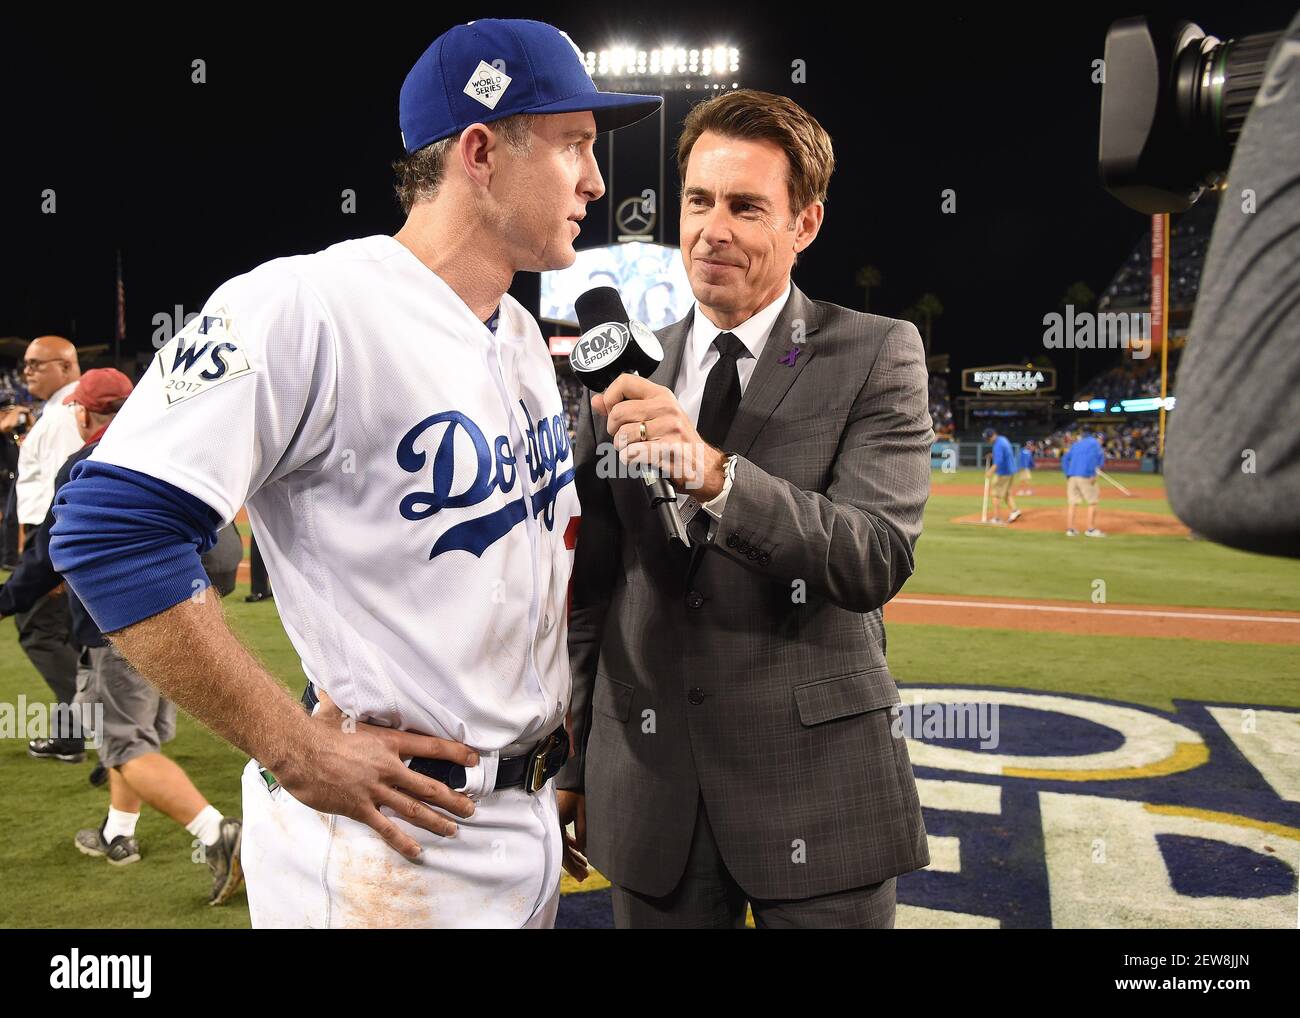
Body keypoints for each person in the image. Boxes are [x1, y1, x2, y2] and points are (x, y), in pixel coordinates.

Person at [50, 18, 660, 929]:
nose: (596, 180)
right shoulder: (304, 306)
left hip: (519, 814)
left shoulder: (529, 339)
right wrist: (293, 748)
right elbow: (108, 531)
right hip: (384, 843)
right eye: (574, 144)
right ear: (482, 152)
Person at [559, 88, 932, 928]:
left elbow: (873, 557)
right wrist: (575, 762)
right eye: (697, 200)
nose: (711, 228)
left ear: (805, 224)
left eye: (745, 206)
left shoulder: (875, 354)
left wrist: (715, 475)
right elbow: (594, 592)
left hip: (819, 791)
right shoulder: (626, 372)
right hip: (652, 788)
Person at [0, 369, 244, 903]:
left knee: (125, 744)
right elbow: (227, 552)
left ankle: (218, 835)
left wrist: (7, 600)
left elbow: (45, 558)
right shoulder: (177, 452)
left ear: (83, 414)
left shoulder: (84, 465)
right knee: (130, 737)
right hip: (185, 625)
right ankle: (118, 832)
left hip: (121, 628)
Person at [4, 337, 85, 762]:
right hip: (50, 539)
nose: (27, 371)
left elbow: (64, 493)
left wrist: (53, 562)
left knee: (38, 632)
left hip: (54, 540)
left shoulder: (65, 413)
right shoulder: (59, 408)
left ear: (67, 366)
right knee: (59, 635)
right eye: (26, 365)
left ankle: (91, 718)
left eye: (37, 364)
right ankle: (71, 734)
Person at [1062, 430, 1105, 537]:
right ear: (1099, 439)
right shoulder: (1095, 444)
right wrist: (1093, 474)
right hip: (1085, 475)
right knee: (1093, 502)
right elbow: (1096, 460)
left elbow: (1065, 458)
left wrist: (1068, 473)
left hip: (1072, 475)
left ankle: (1070, 529)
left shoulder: (1076, 444)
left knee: (1073, 503)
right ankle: (1090, 529)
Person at [982, 427, 1022, 525]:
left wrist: (990, 472)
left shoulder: (998, 445)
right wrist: (993, 455)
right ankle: (1015, 510)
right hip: (1010, 471)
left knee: (995, 494)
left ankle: (996, 518)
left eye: (988, 438)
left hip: (1003, 473)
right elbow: (1004, 454)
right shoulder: (1003, 439)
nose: (988, 441)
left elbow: (998, 462)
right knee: (1006, 494)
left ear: (992, 436)